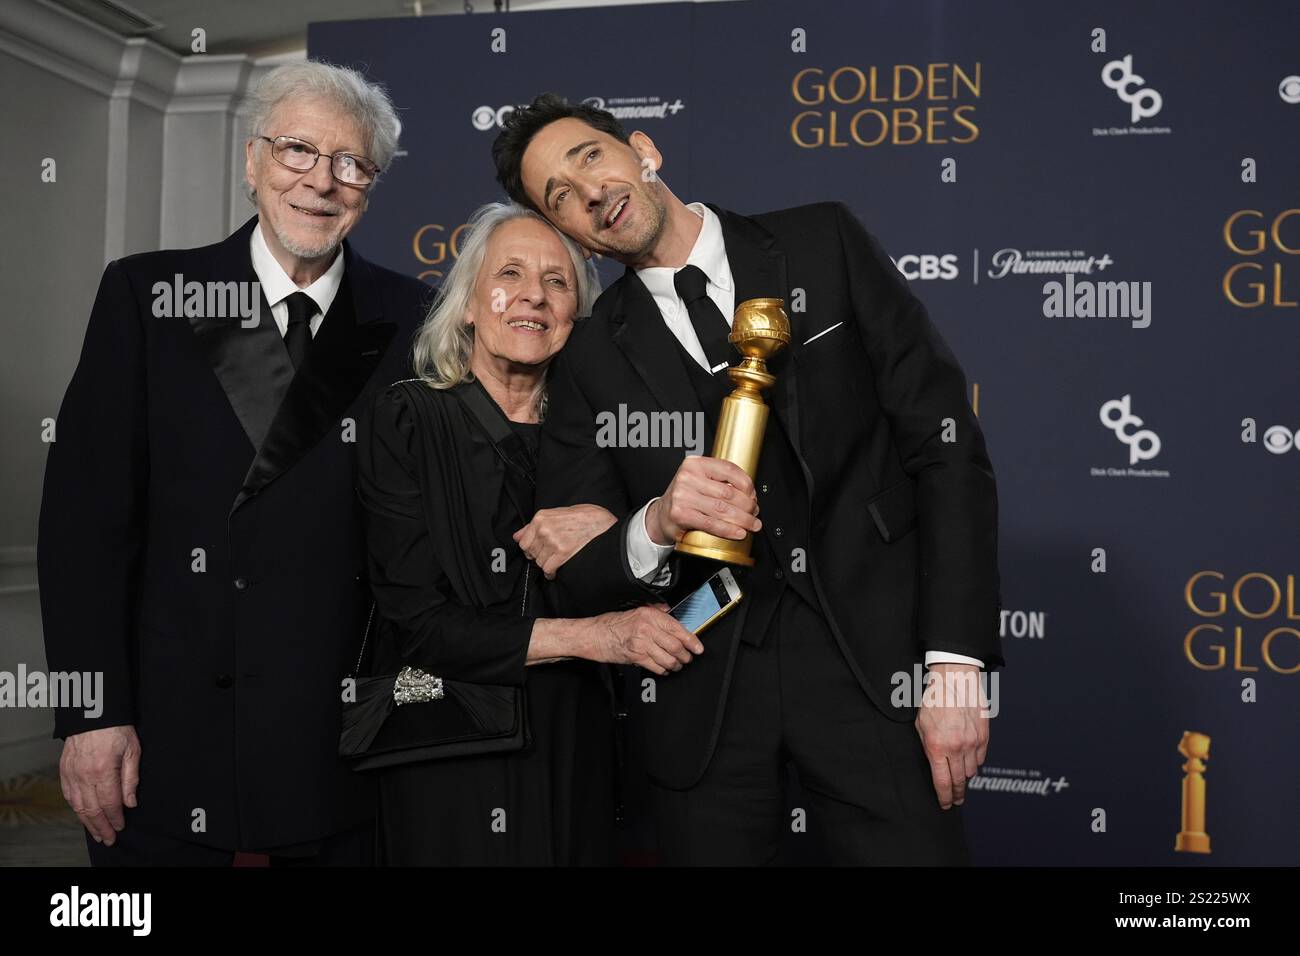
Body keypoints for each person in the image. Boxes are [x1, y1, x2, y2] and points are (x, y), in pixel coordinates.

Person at [492, 94, 1004, 865]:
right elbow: (579, 574)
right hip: (703, 700)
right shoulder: (591, 355)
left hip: (873, 672)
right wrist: (654, 523)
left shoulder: (820, 242)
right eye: (558, 198)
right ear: (568, 232)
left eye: (589, 159)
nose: (588, 193)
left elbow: (946, 452)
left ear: (642, 149)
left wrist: (956, 670)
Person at [38, 61, 429, 865]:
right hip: (166, 732)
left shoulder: (415, 315)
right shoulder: (150, 295)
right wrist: (89, 715)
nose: (322, 181)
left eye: (351, 163)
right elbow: (84, 526)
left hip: (345, 740)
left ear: (371, 186)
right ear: (251, 161)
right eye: (296, 151)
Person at [357, 201, 701, 865]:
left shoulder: (611, 439)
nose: (532, 298)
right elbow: (418, 622)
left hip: (580, 744)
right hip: (446, 747)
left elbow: (678, 584)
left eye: (557, 281)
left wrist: (622, 528)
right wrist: (596, 638)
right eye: (508, 273)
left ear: (578, 317)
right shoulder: (407, 421)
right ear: (466, 303)